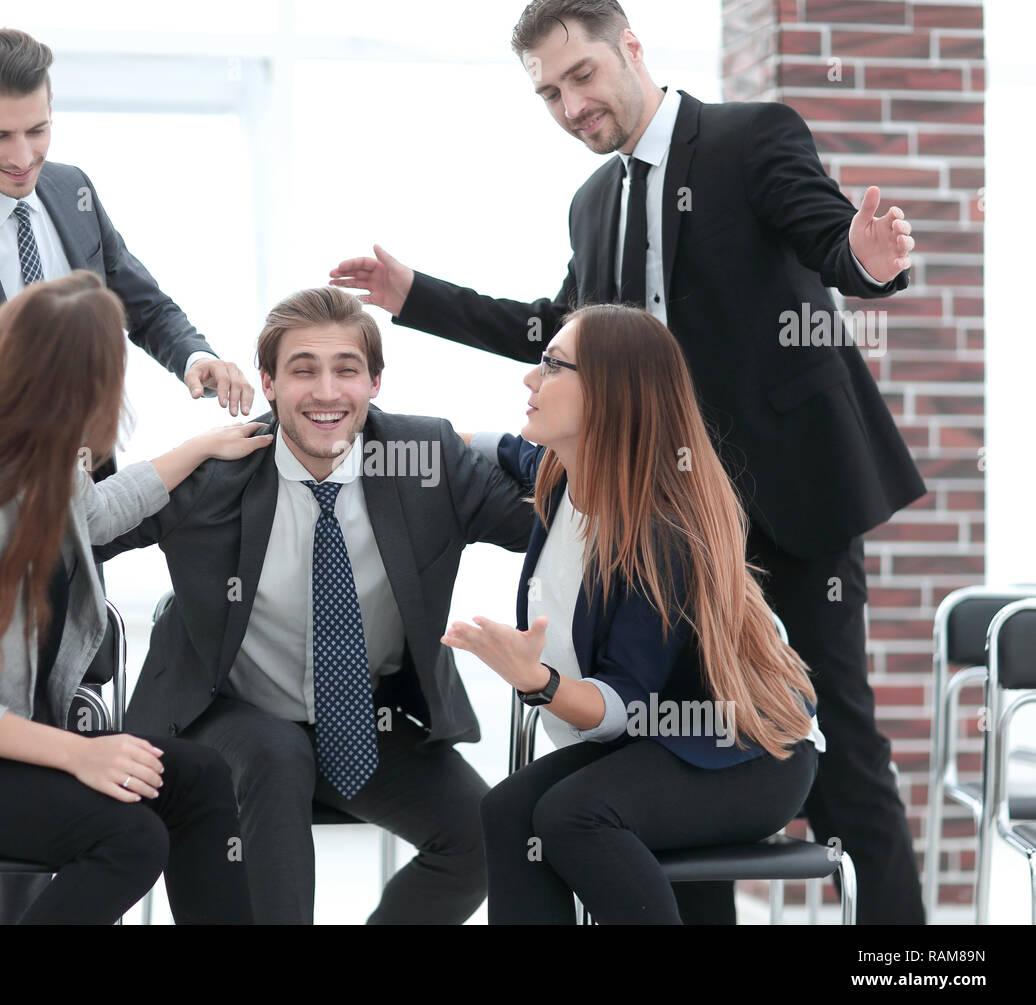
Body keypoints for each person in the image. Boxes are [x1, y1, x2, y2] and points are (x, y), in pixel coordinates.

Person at [331, 0, 925, 924]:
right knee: (677, 751)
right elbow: (562, 332)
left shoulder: (749, 139)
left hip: (786, 509)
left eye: (582, 75)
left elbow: (829, 238)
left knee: (840, 749)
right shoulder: (593, 202)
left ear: (632, 50)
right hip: (664, 527)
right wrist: (418, 298)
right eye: (549, 94)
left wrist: (865, 259)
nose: (571, 106)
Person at [0, 26, 254, 923]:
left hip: (45, 556)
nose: (24, 155)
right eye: (0, 136)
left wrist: (199, 430)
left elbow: (90, 506)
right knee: (101, 833)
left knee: (180, 785)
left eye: (39, 130)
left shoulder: (72, 195)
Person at [0, 271, 267, 925]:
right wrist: (83, 754)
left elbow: (95, 515)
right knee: (130, 839)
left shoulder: (35, 452)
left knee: (198, 777)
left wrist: (200, 448)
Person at [93, 286, 535, 924]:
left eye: (346, 370)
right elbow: (79, 535)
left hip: (362, 720)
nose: (326, 392)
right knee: (277, 755)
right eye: (303, 370)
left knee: (481, 838)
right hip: (228, 717)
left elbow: (553, 525)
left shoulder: (427, 459)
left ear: (375, 382)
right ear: (269, 384)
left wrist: (509, 443)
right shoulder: (218, 471)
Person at [443, 304, 821, 923]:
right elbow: (501, 450)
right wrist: (396, 436)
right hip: (651, 743)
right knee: (506, 811)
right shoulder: (564, 477)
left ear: (610, 393)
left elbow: (622, 703)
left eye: (552, 366)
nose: (530, 379)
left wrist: (538, 681)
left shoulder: (660, 535)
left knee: (573, 817)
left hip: (743, 754)